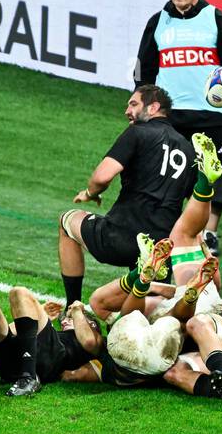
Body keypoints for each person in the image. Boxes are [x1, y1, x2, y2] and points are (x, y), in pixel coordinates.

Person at [135, 0, 222, 254]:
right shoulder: (157, 22)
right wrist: (141, 107)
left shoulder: (218, 20)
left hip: (210, 117)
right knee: (167, 177)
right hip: (168, 119)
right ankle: (167, 233)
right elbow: (145, 70)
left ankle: (207, 234)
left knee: (207, 177)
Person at [59, 85, 194, 306]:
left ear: (153, 107)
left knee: (66, 221)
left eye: (133, 104)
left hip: (120, 238)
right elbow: (192, 206)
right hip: (161, 249)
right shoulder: (188, 150)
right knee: (145, 312)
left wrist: (90, 193)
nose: (127, 111)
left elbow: (102, 177)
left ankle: (72, 309)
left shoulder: (138, 132)